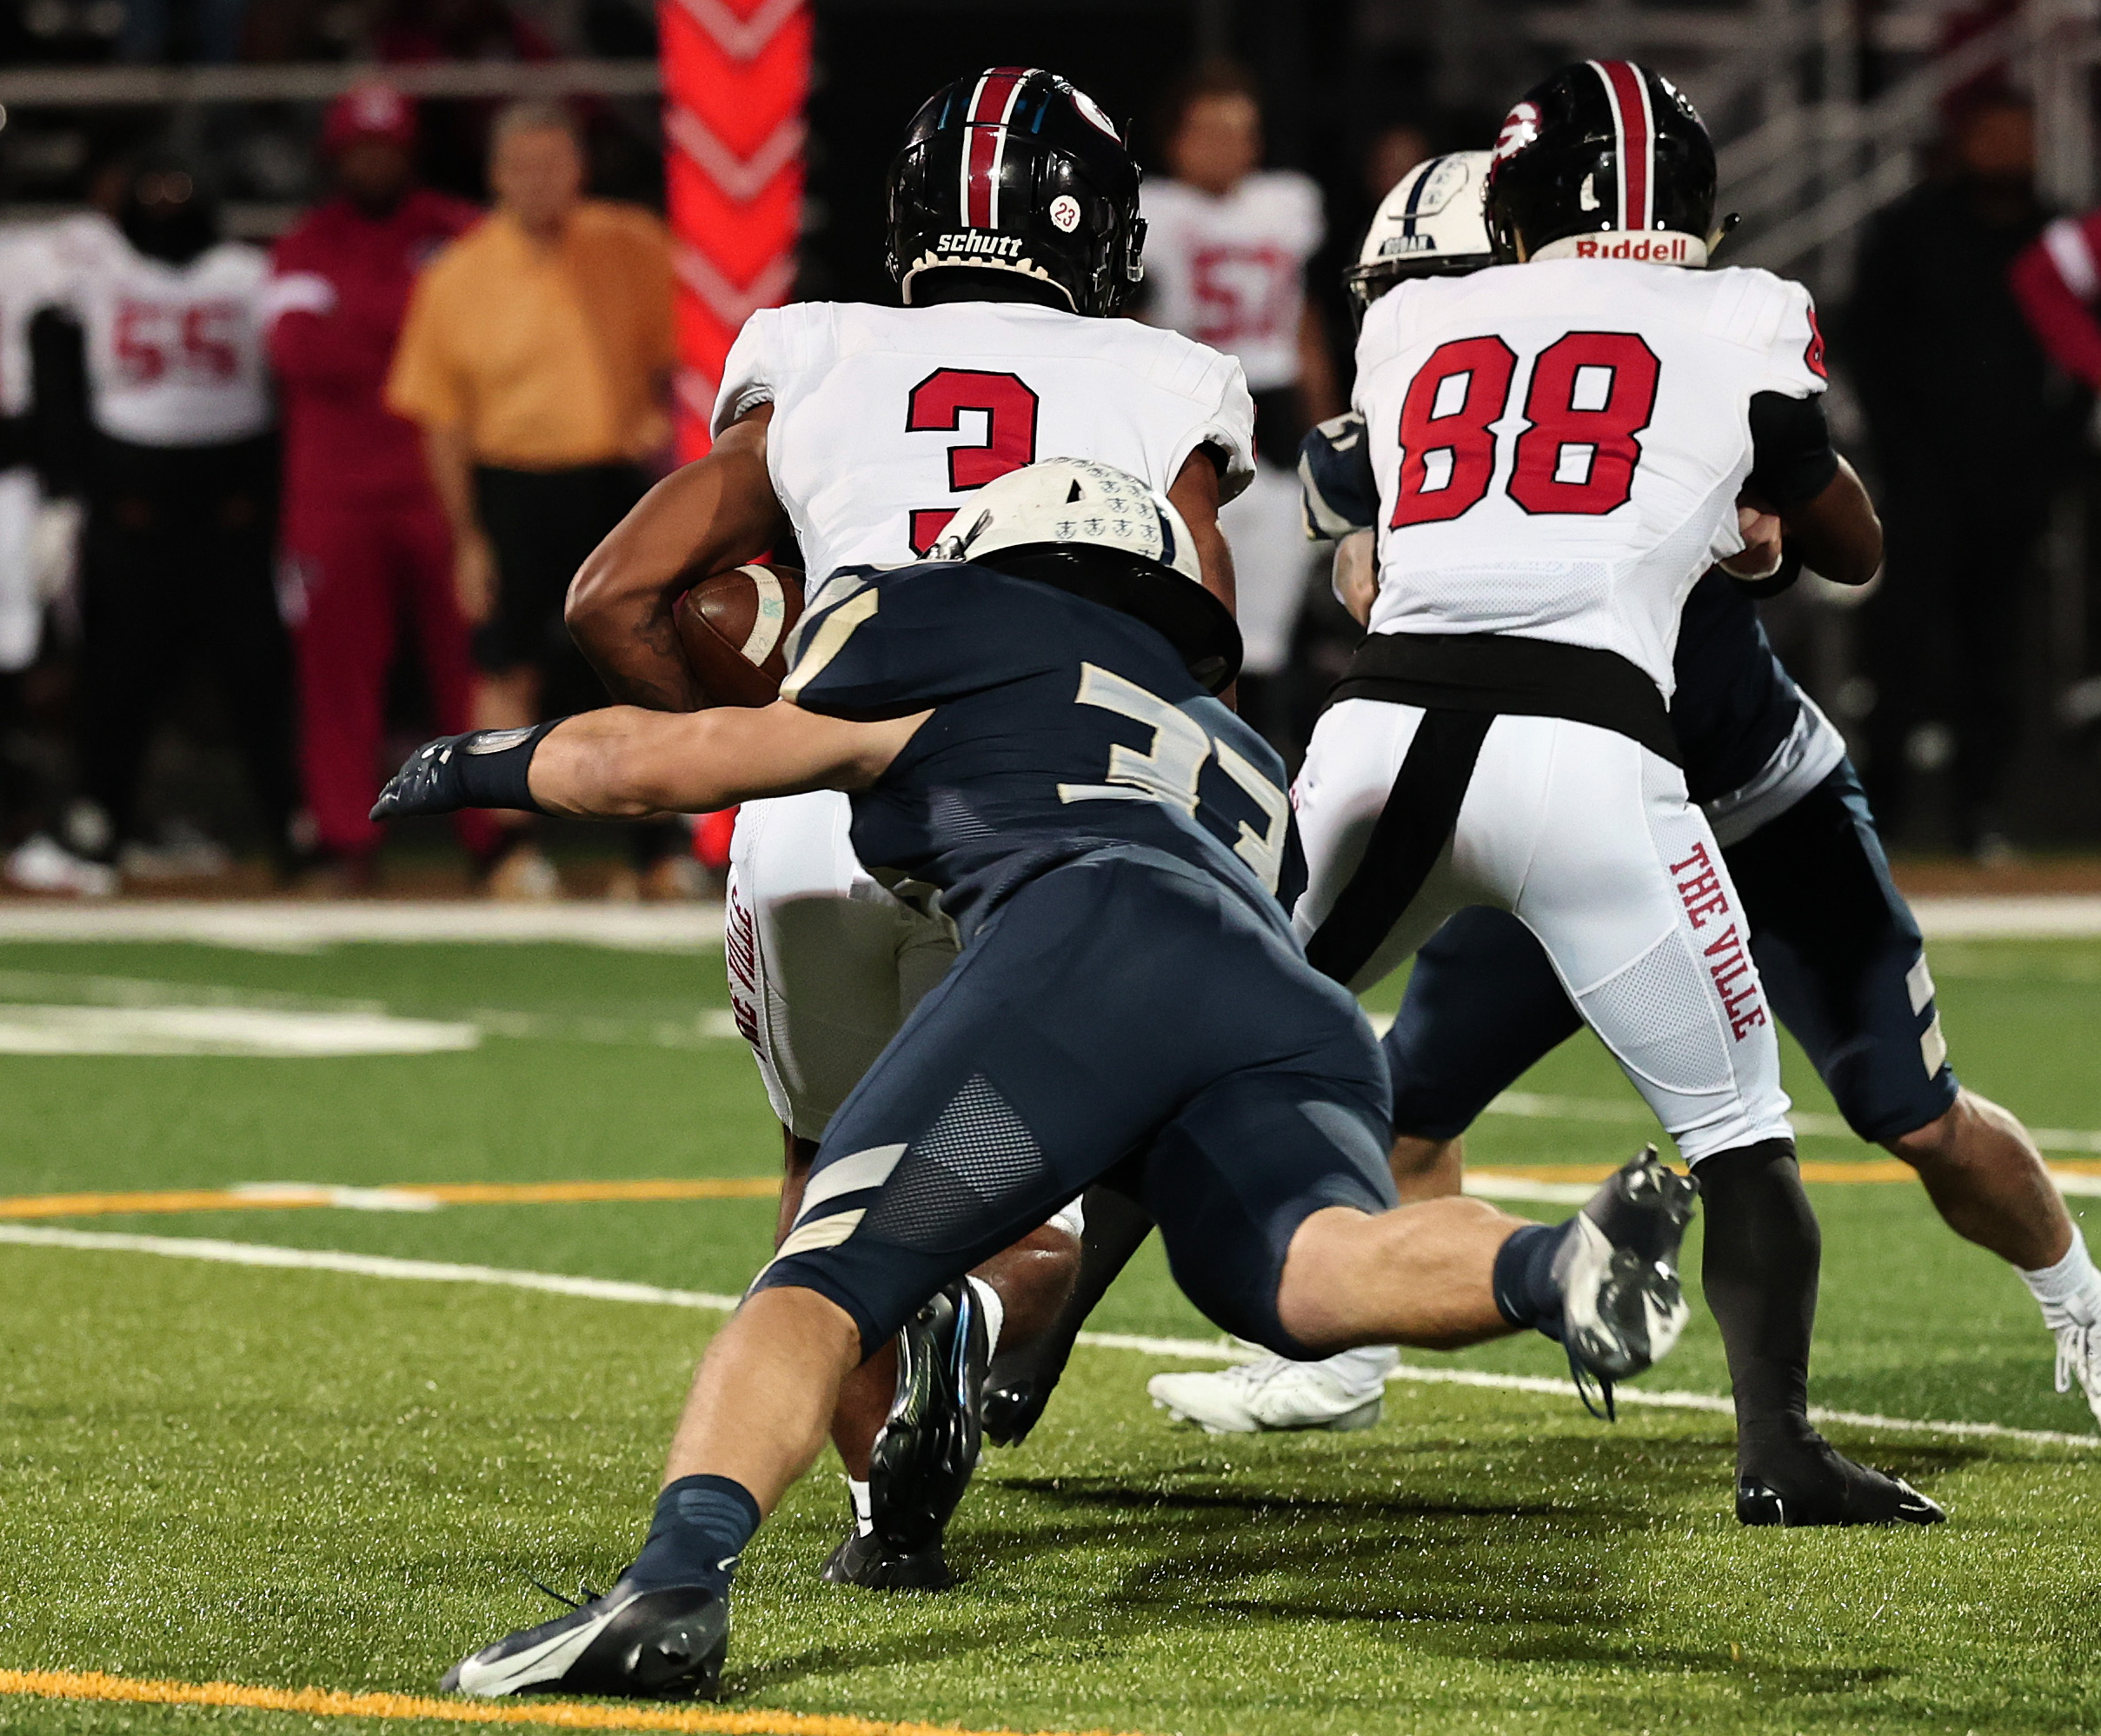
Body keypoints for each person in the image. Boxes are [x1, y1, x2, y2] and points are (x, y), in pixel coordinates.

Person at [374, 457, 1701, 1702]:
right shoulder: (1232, 744)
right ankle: (1552, 1266)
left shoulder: (945, 616)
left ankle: (670, 1586)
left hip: (1088, 933)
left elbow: (666, 761)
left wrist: (469, 765)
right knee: (1309, 1270)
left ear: (990, 551)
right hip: (1282, 999)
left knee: (825, 1281)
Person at [1155, 146, 2101, 1513]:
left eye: (1422, 288)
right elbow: (1368, 532)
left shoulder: (1653, 372)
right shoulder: (1434, 399)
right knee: (1410, 1100)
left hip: (1744, 806)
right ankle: (1353, 1355)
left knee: (1917, 1116)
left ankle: (2076, 1296)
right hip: (1577, 801)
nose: (1408, 320)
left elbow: (1791, 524)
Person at [559, 66, 1260, 1588]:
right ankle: (974, 1335)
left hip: (815, 807)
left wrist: (753, 749)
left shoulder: (809, 350)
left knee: (822, 1177)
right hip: (1024, 821)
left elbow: (611, 594)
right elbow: (1206, 640)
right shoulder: (1164, 376)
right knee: (1033, 1195)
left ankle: (886, 1514)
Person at [1270, 64, 1938, 1533]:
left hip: (1378, 734)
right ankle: (1777, 1446)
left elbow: (1358, 511)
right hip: (1586, 748)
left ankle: (1003, 1339)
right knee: (1739, 1130)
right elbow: (1848, 546)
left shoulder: (1411, 320)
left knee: (1211, 1023)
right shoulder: (1735, 313)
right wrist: (1764, 485)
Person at [384, 99, 678, 899]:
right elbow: (440, 423)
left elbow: (681, 361)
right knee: (507, 666)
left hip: (616, 484)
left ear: (580, 169)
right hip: (511, 485)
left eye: (554, 164)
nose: (540, 182)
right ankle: (505, 848)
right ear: (495, 176)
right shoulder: (456, 275)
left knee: (641, 660)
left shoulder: (634, 245)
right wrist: (468, 537)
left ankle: (653, 849)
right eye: (523, 167)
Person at [267, 83, 498, 890]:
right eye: (359, 147)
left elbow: (483, 344)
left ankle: (491, 840)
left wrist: (361, 324)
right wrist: (414, 327)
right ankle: (344, 843)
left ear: (408, 151)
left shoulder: (457, 230)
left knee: (471, 669)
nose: (373, 160)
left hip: (442, 486)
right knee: (336, 678)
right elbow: (295, 353)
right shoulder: (302, 243)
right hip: (332, 496)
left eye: (387, 146)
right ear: (337, 155)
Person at [48, 156, 300, 878]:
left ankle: (288, 822)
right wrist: (89, 485)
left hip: (230, 502)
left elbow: (285, 385)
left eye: (179, 190)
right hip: (130, 503)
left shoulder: (246, 273)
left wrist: (260, 486)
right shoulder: (92, 267)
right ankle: (100, 819)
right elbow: (58, 373)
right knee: (118, 677)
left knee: (256, 672)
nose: (165, 202)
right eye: (151, 189)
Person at [1848, 92, 2077, 858]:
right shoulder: (1911, 231)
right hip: (1921, 479)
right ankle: (1875, 815)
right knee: (1901, 648)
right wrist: (1897, 449)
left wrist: (2054, 454)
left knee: (1996, 652)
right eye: (1994, 130)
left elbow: (2079, 356)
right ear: (1962, 138)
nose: (2009, 146)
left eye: (2022, 131)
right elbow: (1866, 342)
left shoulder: (2058, 237)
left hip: (2012, 483)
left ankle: (1980, 813)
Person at [1140, 60, 1340, 749]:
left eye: (1242, 132)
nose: (1229, 147)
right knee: (1184, 600)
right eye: (1210, 131)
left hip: (1272, 414)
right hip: (1187, 412)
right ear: (1173, 140)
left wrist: (1329, 429)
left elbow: (1304, 321)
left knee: (1270, 622)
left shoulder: (1285, 203)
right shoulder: (1151, 211)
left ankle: (1264, 754)